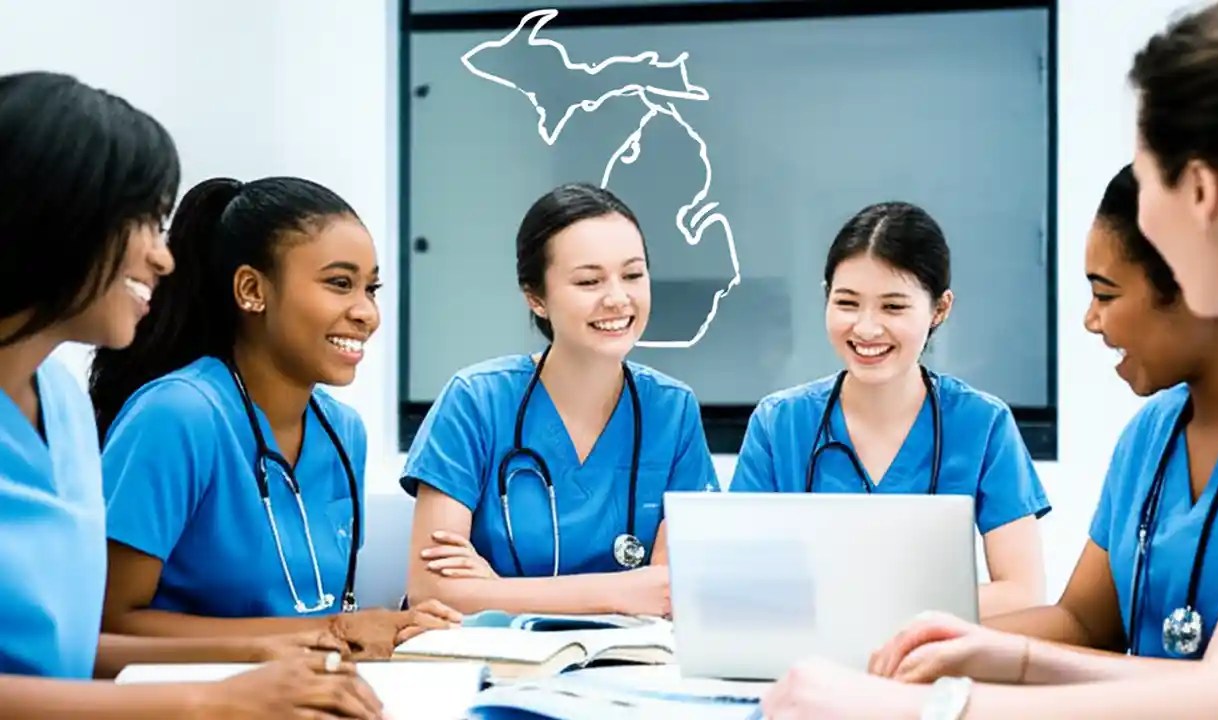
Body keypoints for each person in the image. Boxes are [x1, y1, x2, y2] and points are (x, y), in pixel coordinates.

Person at [758, 1, 1218, 716]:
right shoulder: (1161, 433)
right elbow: (1210, 676)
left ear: (1198, 191)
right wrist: (1004, 655)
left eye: (1145, 167)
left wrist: (918, 709)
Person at [0, 69, 383, 719]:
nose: (164, 258)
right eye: (142, 223)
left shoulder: (59, 404)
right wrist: (208, 698)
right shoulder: (179, 410)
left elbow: (73, 651)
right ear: (54, 216)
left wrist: (293, 654)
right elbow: (106, 628)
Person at [859, 164, 1218, 685]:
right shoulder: (1151, 435)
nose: (1090, 320)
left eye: (1105, 295)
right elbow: (1083, 621)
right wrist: (930, 638)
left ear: (1196, 287)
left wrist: (994, 664)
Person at [90, 175, 460, 659]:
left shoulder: (344, 433)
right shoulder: (178, 415)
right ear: (251, 290)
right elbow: (108, 625)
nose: (366, 312)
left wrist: (393, 628)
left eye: (371, 288)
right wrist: (326, 634)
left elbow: (314, 609)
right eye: (340, 284)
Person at [401, 182, 719, 615]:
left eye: (633, 275)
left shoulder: (672, 410)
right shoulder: (475, 401)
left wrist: (495, 592)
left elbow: (670, 593)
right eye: (589, 280)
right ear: (536, 297)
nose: (617, 298)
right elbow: (432, 593)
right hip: (495, 668)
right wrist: (620, 592)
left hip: (628, 667)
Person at [730, 201, 1050, 618]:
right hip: (806, 667)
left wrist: (867, 603)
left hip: (928, 672)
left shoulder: (982, 425)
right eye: (847, 303)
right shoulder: (779, 425)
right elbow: (736, 582)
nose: (865, 328)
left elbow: (1023, 594)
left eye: (893, 307)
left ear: (940, 309)